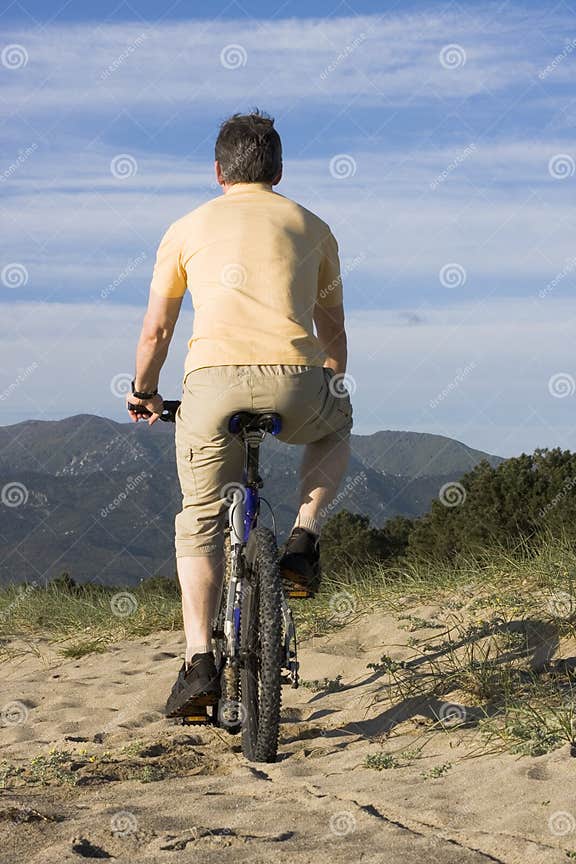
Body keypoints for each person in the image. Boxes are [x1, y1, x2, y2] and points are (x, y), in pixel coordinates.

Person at [126, 109, 353, 718]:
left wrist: (144, 390)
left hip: (212, 386)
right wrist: (329, 384)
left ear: (218, 171)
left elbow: (157, 331)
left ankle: (200, 659)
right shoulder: (314, 227)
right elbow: (333, 332)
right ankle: (304, 534)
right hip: (298, 378)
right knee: (337, 425)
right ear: (278, 170)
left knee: (199, 518)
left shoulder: (186, 227)